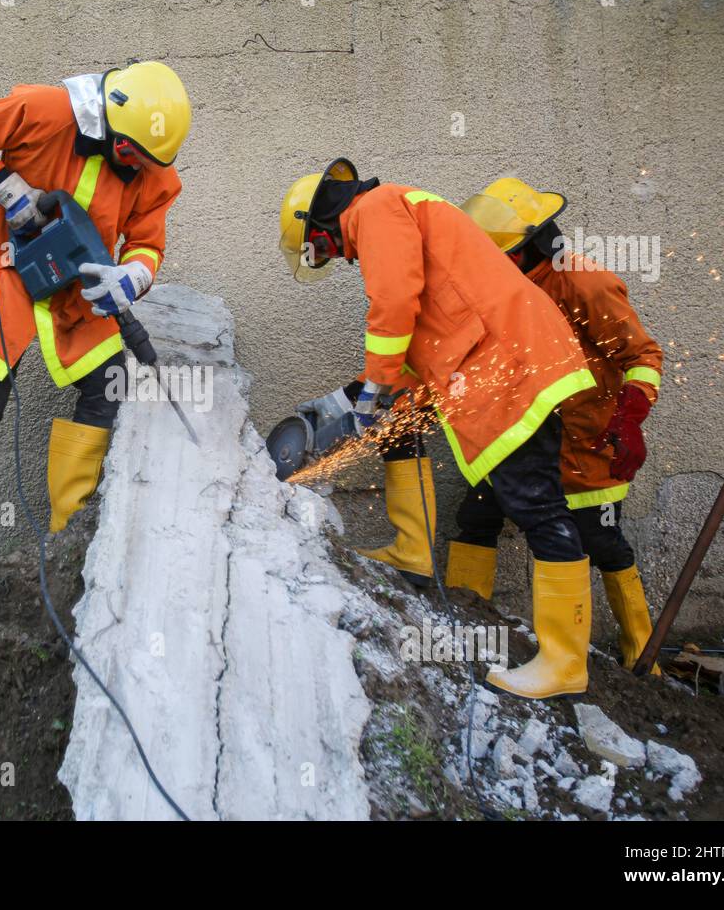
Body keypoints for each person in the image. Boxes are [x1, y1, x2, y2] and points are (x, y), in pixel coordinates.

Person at [278, 160, 599, 700]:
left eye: (325, 250)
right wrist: (356, 394)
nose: (338, 257)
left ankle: (565, 661)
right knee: (401, 429)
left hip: (508, 361)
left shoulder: (376, 209)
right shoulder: (397, 212)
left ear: (322, 222)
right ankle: (414, 551)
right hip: (489, 357)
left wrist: (377, 384)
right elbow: (420, 325)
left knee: (536, 504)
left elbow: (395, 304)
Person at [0, 62, 189, 587]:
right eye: (130, 154)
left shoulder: (154, 171)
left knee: (105, 385)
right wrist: (9, 189)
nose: (136, 167)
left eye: (146, 162)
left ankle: (67, 534)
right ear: (110, 125)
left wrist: (132, 277)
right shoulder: (46, 112)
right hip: (7, 272)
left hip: (79, 290)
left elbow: (147, 242)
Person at [452, 178, 664, 672]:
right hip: (519, 434)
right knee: (477, 518)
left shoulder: (584, 282)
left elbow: (643, 355)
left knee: (601, 539)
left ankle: (642, 657)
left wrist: (629, 417)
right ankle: (461, 628)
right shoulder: (509, 287)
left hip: (587, 441)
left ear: (529, 247)